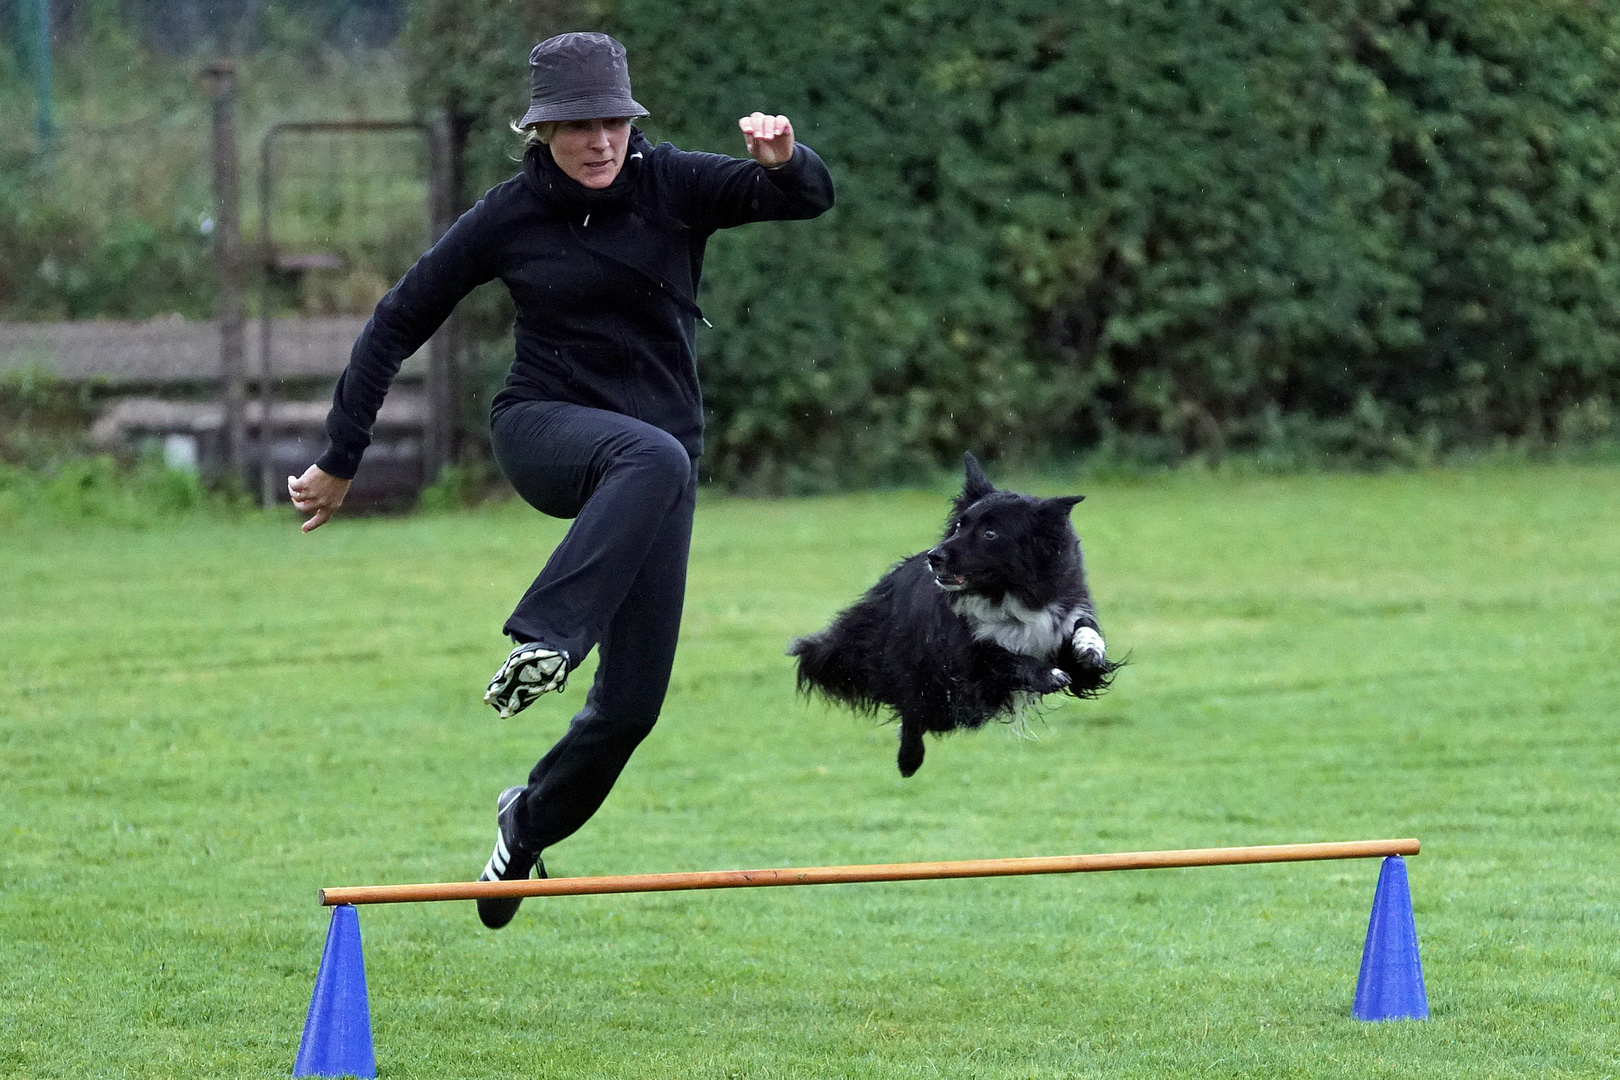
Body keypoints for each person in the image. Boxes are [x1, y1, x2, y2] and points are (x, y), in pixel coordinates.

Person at [286, 31, 833, 929]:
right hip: (544, 431)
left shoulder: (672, 184)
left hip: (654, 476)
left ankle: (526, 822)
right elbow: (393, 324)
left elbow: (808, 198)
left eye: (613, 122)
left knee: (630, 712)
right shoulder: (508, 216)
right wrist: (341, 458)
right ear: (540, 131)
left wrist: (784, 159)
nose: (601, 142)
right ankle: (546, 637)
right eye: (578, 126)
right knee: (650, 452)